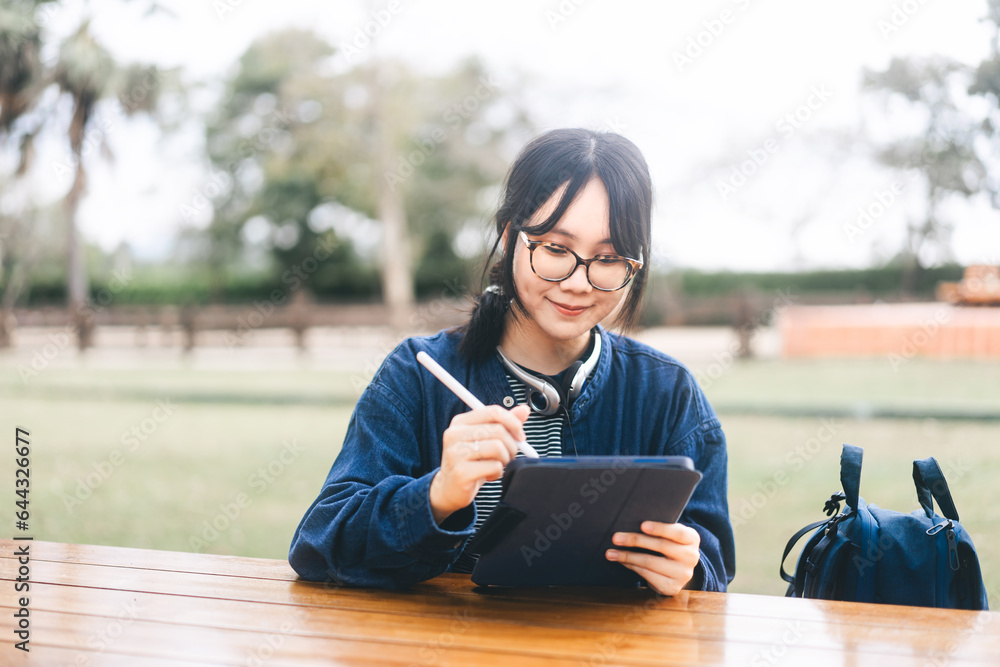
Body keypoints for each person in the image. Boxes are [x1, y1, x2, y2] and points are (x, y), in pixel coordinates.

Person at [288, 128, 735, 594]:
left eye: (609, 258)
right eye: (556, 249)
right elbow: (319, 545)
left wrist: (690, 567)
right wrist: (437, 496)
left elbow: (715, 565)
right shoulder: (418, 374)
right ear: (510, 238)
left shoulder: (668, 393)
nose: (579, 282)